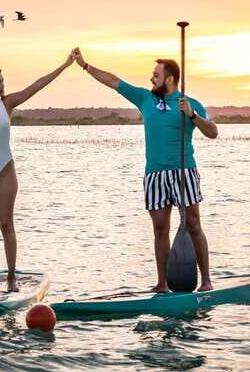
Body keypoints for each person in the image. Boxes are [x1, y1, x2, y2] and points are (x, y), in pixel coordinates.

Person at [73, 49, 217, 292]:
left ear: (169, 78)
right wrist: (85, 65)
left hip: (184, 172)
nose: (151, 79)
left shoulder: (190, 104)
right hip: (154, 175)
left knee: (193, 224)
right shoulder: (144, 98)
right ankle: (162, 284)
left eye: (156, 75)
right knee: (160, 229)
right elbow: (113, 81)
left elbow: (212, 132)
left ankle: (206, 282)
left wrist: (192, 115)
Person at [0, 51, 76, 290]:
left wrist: (64, 65)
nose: (2, 85)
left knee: (6, 223)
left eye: (3, 81)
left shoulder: (7, 104)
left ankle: (11, 278)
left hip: (4, 168)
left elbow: (37, 86)